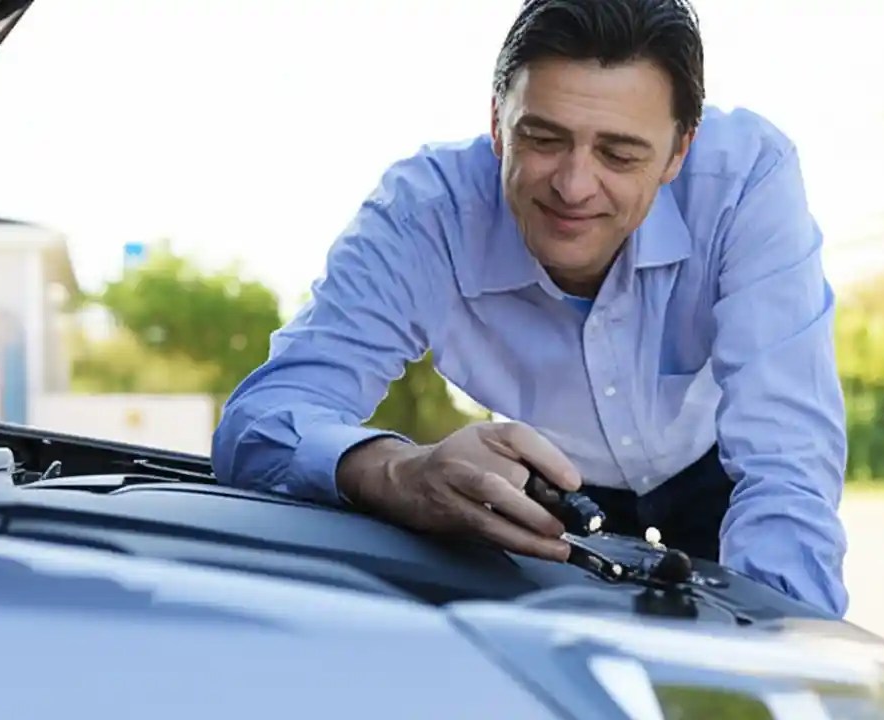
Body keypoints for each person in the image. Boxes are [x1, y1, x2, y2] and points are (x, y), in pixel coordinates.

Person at [211, 0, 849, 617]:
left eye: (619, 154)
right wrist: (398, 473)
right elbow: (260, 423)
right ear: (497, 123)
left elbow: (787, 457)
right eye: (542, 139)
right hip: (546, 500)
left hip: (722, 480)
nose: (573, 186)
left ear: (679, 153)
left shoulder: (746, 180)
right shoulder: (424, 214)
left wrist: (790, 656)